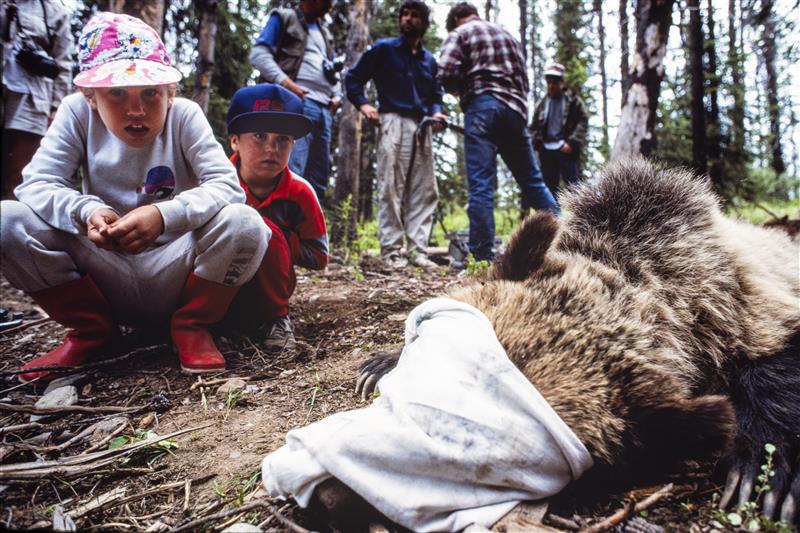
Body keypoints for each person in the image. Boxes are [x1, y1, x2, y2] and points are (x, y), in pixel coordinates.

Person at [0, 13, 268, 382]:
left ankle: (192, 324)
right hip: (103, 269)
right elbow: (36, 184)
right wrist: (86, 210)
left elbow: (226, 185)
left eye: (150, 92)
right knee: (7, 220)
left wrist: (165, 215)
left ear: (170, 94)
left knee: (246, 223)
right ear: (91, 97)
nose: (136, 109)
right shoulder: (76, 114)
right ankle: (92, 331)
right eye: (116, 93)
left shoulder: (185, 115)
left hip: (177, 268)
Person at [438, 2, 559, 263]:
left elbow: (445, 70)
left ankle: (482, 258)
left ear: (457, 19)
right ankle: (567, 241)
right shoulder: (509, 37)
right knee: (533, 182)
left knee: (481, 185)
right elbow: (524, 82)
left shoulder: (461, 33)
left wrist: (457, 90)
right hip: (515, 113)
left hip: (482, 107)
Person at [224, 83, 329, 352]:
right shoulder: (215, 183)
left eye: (283, 139)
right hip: (216, 281)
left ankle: (276, 319)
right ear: (234, 140)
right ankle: (198, 322)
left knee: (263, 230)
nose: (271, 147)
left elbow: (319, 257)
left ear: (293, 144)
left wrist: (278, 238)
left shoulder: (301, 193)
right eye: (259, 136)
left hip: (268, 290)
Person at [345, 0, 445, 269]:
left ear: (424, 23)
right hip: (392, 121)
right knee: (390, 187)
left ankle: (418, 251)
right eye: (405, 14)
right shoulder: (384, 49)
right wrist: (365, 106)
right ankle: (391, 250)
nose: (408, 19)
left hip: (423, 125)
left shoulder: (429, 60)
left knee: (425, 190)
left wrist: (437, 114)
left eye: (414, 15)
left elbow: (436, 95)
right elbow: (353, 79)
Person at [250, 0, 341, 202]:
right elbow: (259, 55)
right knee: (293, 167)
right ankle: (279, 219)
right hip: (295, 104)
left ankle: (310, 220)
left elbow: (333, 73)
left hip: (325, 109)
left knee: (319, 176)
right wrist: (287, 84)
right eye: (328, 1)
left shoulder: (325, 34)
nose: (331, 6)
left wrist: (337, 95)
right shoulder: (285, 18)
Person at [1, 0, 73, 199]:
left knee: (20, 175)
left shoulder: (53, 10)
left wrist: (56, 108)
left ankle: (14, 217)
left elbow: (63, 62)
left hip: (31, 102)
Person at [531, 62, 588, 200]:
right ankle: (552, 214)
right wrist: (538, 144)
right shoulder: (542, 104)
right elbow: (533, 126)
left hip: (565, 148)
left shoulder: (573, 101)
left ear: (562, 82)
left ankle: (580, 213)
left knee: (574, 187)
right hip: (546, 150)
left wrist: (572, 142)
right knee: (548, 188)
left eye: (555, 82)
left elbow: (583, 121)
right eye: (549, 82)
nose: (551, 86)